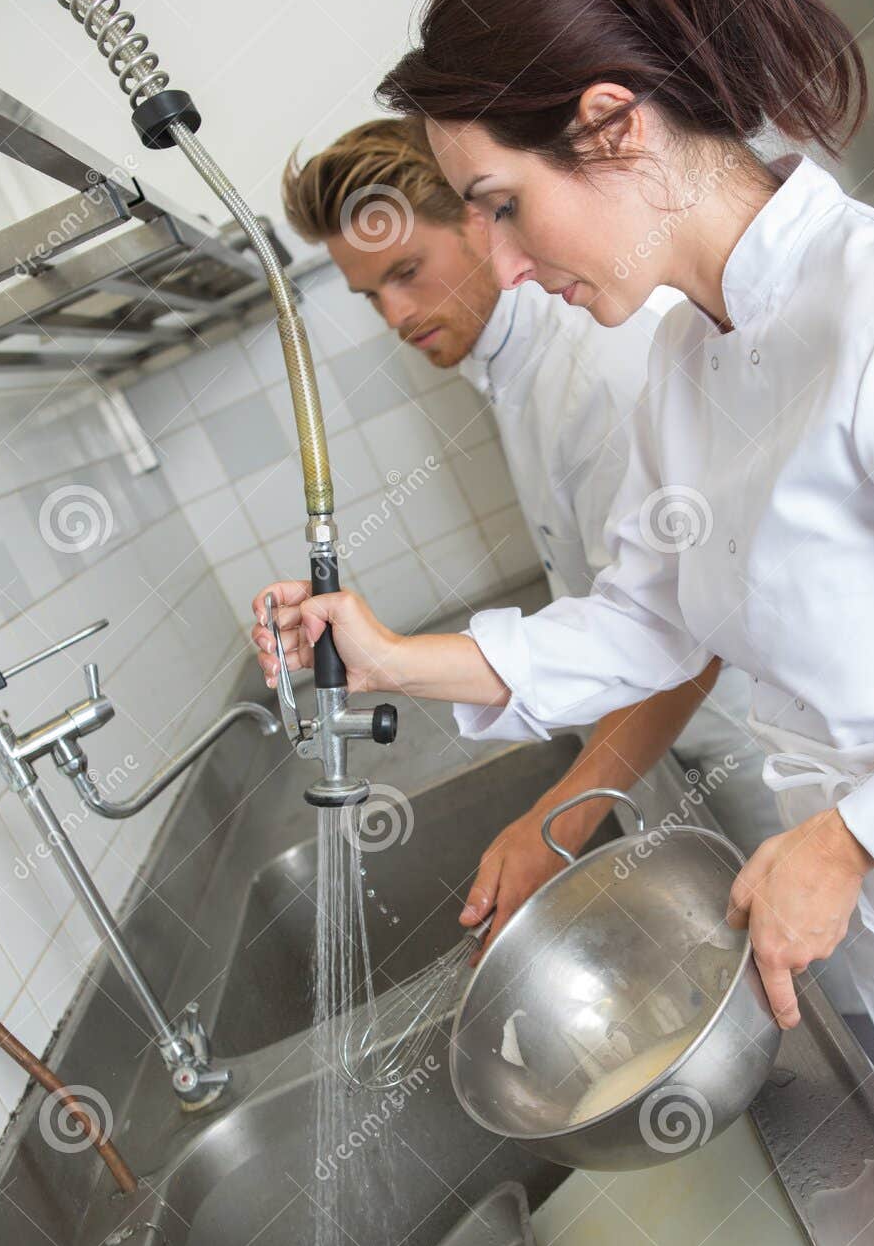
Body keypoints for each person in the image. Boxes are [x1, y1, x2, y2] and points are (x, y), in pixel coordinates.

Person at [253, 0, 874, 1246]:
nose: (499, 258)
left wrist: (852, 832)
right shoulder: (696, 359)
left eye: (500, 201)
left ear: (614, 126)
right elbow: (646, 614)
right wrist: (385, 653)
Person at [280, 116, 780, 951]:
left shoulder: (599, 367)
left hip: (748, 756)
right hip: (678, 759)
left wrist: (557, 819)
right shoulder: (512, 366)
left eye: (407, 272)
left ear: (476, 222)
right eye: (371, 294)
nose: (396, 315)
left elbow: (684, 632)